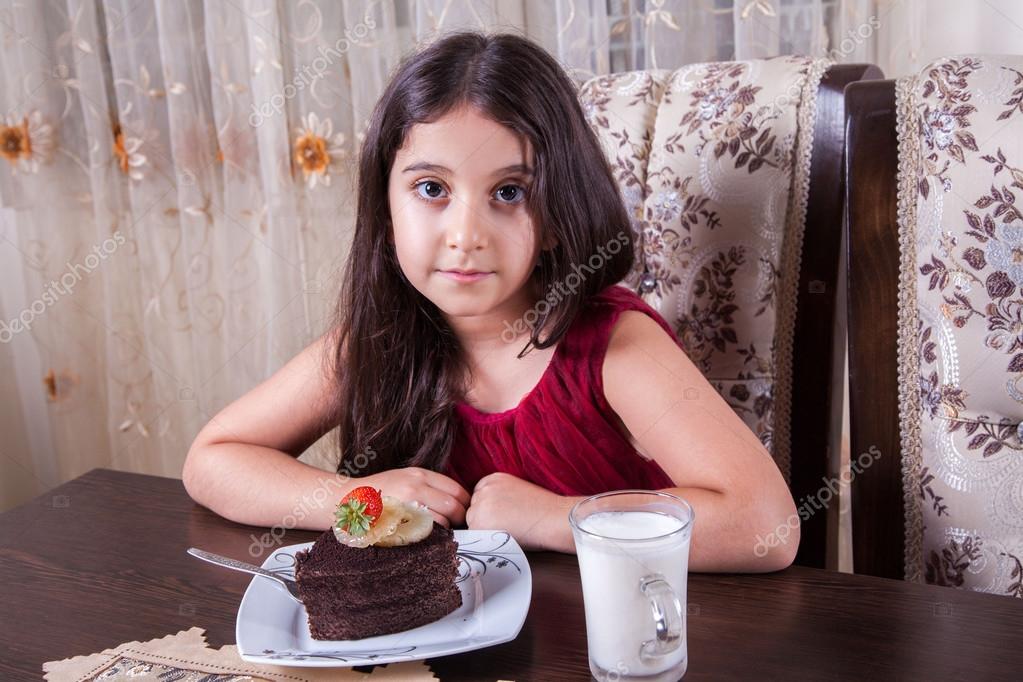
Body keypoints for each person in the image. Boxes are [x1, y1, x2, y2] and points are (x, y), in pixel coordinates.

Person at [183, 31, 799, 572]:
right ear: (385, 206)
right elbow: (213, 460)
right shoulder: (375, 343)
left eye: (509, 192)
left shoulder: (614, 348)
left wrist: (558, 518)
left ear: (558, 214)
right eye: (431, 188)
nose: (465, 234)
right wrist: (357, 502)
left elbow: (764, 527)